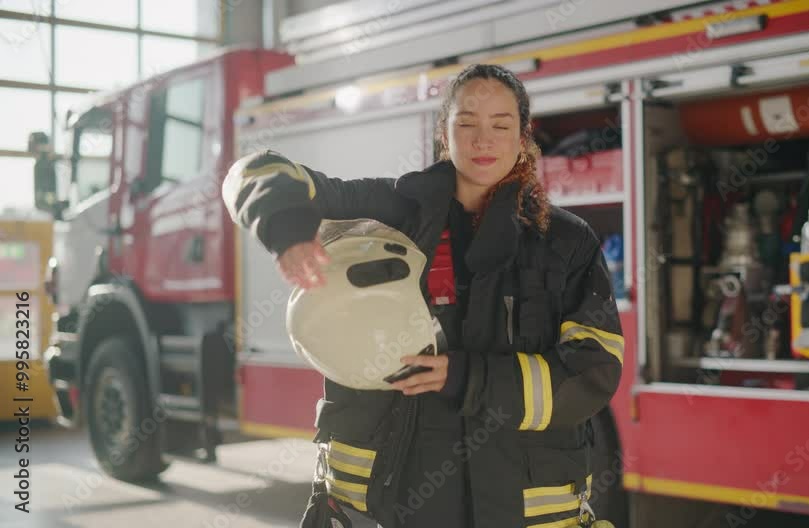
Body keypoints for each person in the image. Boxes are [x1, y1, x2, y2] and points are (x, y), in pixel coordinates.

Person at [222, 63, 624, 528]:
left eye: (501, 124)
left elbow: (591, 373)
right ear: (444, 132)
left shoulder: (567, 242)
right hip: (388, 507)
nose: (482, 139)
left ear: (522, 136)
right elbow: (253, 171)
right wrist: (286, 227)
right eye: (467, 122)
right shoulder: (394, 212)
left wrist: (466, 377)